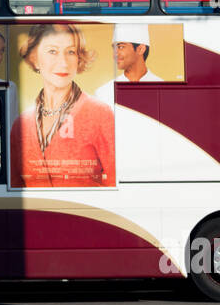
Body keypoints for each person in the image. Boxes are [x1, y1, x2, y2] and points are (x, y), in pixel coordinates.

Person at [9, 24, 116, 187]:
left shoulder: (100, 113)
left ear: (79, 59)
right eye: (52, 51)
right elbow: (15, 186)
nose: (63, 62)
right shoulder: (21, 124)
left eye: (71, 52)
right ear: (35, 59)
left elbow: (115, 181)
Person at [97, 24, 161, 103]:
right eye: (114, 48)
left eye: (121, 47)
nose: (115, 55)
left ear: (140, 49)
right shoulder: (104, 93)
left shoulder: (163, 90)